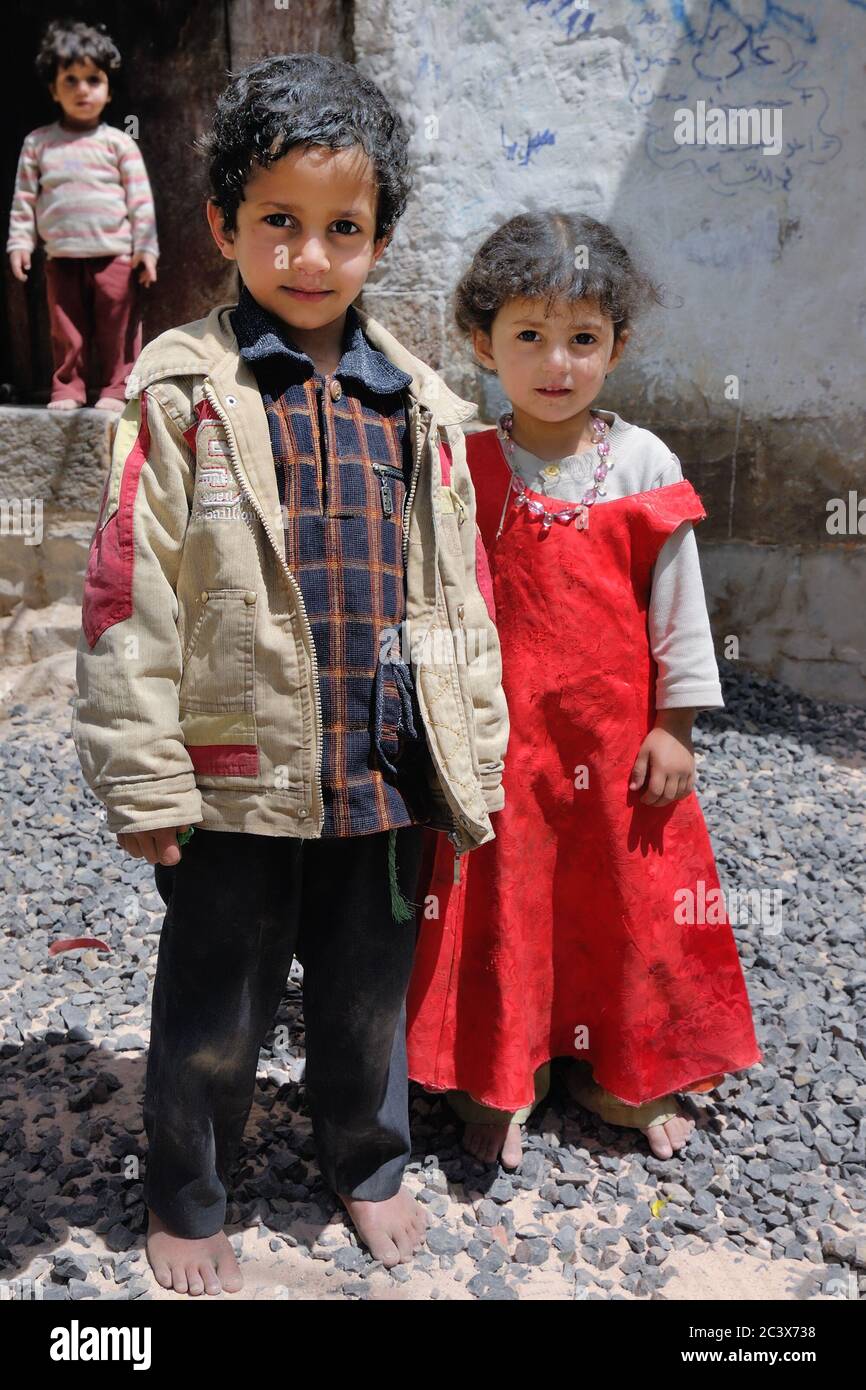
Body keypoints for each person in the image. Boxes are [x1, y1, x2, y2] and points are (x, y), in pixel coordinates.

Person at [71, 53, 508, 1296]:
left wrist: (472, 747)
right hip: (231, 774)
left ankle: (366, 1162)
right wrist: (142, 773)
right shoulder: (179, 392)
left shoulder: (419, 405)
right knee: (217, 998)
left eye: (343, 229)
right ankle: (190, 1188)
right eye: (279, 223)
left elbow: (458, 599)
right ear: (222, 222)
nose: (310, 257)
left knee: (369, 998)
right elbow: (129, 590)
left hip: (379, 771)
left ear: (379, 239)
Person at [407, 211, 761, 1170]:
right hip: (503, 744)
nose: (555, 362)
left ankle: (623, 1076)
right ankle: (504, 1075)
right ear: (483, 342)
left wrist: (674, 728)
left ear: (617, 345)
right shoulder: (466, 466)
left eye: (582, 339)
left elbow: (679, 611)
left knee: (626, 902)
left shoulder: (642, 464)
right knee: (508, 901)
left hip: (616, 748)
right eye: (528, 336)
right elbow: (440, 603)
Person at [6, 20, 158, 411]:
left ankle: (114, 388)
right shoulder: (38, 143)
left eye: (93, 79)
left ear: (108, 89)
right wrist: (20, 242)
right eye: (70, 80)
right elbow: (24, 198)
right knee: (66, 330)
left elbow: (139, 199)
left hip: (115, 255)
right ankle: (68, 388)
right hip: (61, 256)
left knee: (118, 329)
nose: (82, 90)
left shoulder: (118, 143)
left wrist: (147, 249)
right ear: (54, 89)